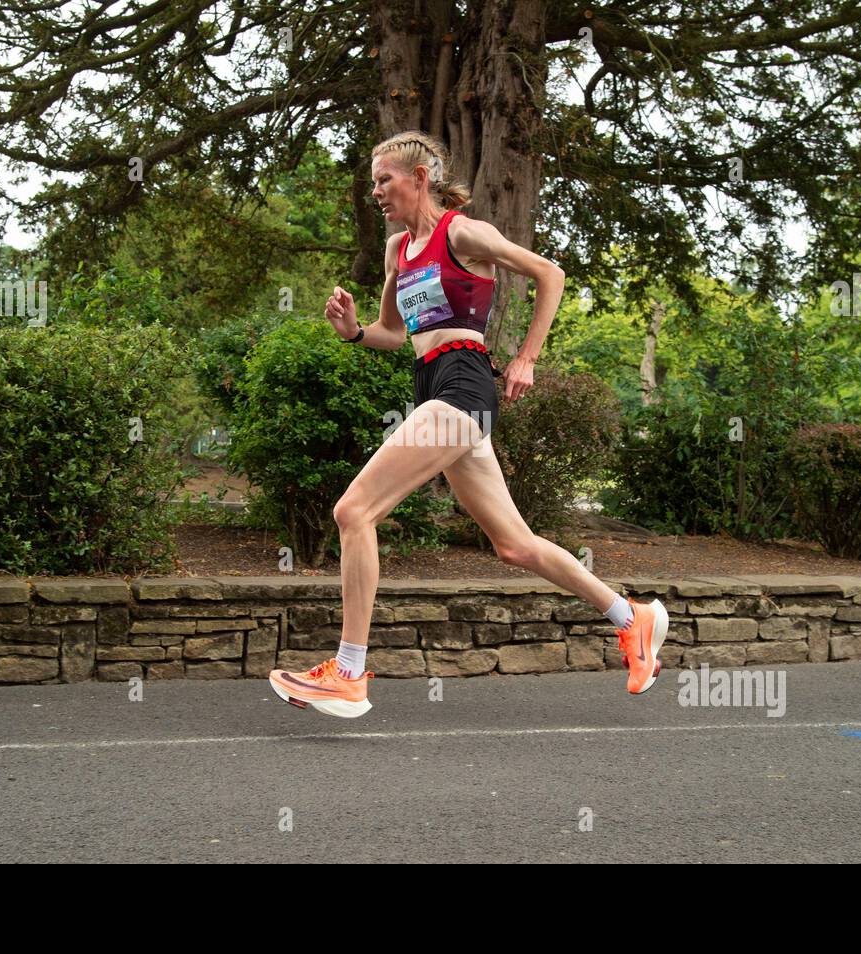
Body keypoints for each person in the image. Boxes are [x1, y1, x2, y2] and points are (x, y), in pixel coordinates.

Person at [268, 131, 667, 718]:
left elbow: (549, 274)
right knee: (514, 545)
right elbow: (395, 335)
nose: (375, 191)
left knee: (354, 511)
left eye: (385, 180)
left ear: (419, 179)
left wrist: (527, 356)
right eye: (373, 181)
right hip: (432, 383)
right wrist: (352, 330)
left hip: (464, 382)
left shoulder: (462, 231)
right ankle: (632, 617)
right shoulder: (397, 251)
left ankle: (349, 673)